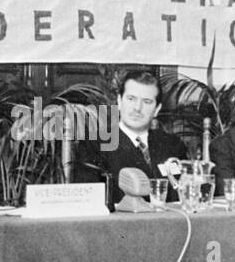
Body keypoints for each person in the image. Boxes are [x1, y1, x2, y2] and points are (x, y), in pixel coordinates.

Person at [73, 69, 186, 205]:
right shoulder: (95, 144)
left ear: (157, 109)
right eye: (131, 99)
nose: (137, 108)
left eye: (147, 101)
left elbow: (183, 193)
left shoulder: (173, 145)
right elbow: (92, 202)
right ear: (119, 102)